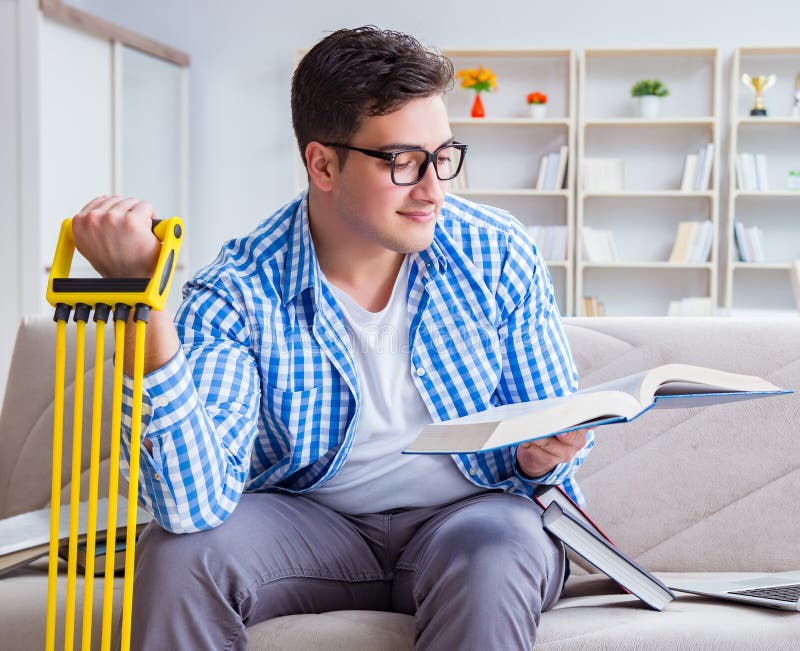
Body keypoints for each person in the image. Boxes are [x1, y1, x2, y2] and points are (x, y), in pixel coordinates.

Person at [72, 26, 594, 651]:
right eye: (402, 160)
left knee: (497, 553)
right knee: (179, 554)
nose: (433, 188)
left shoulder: (497, 250)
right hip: (310, 522)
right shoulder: (237, 290)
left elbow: (557, 433)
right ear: (322, 163)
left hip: (472, 516)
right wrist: (142, 301)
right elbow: (191, 507)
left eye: (444, 155)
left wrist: (542, 454)